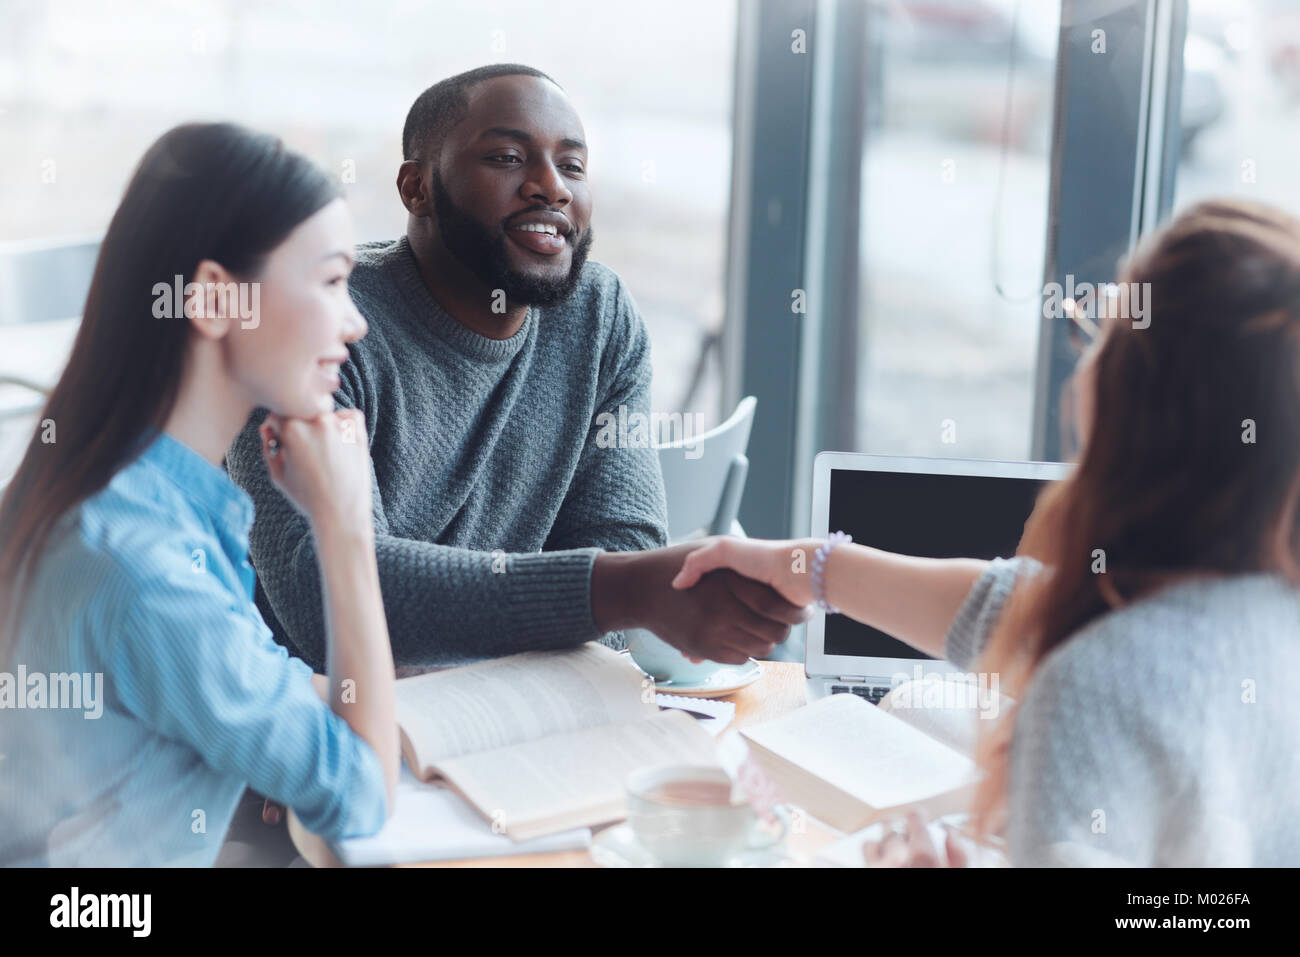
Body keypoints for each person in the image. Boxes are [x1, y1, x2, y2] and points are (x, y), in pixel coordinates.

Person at [673, 199, 1300, 867]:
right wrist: (803, 565)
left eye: (1105, 328)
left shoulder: (1097, 689)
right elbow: (1024, 608)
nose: (1084, 355)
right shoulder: (1260, 606)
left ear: (1132, 401)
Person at [226, 64, 804, 672]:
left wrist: (603, 597)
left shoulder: (600, 317)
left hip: (516, 714)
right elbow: (334, 601)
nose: (551, 187)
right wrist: (605, 593)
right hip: (328, 725)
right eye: (507, 158)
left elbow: (627, 545)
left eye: (573, 166)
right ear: (416, 188)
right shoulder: (322, 330)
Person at [0, 123, 398, 866]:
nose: (356, 322)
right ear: (217, 300)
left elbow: (242, 671)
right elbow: (362, 794)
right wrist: (343, 526)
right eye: (332, 280)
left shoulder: (107, 498)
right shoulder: (147, 568)